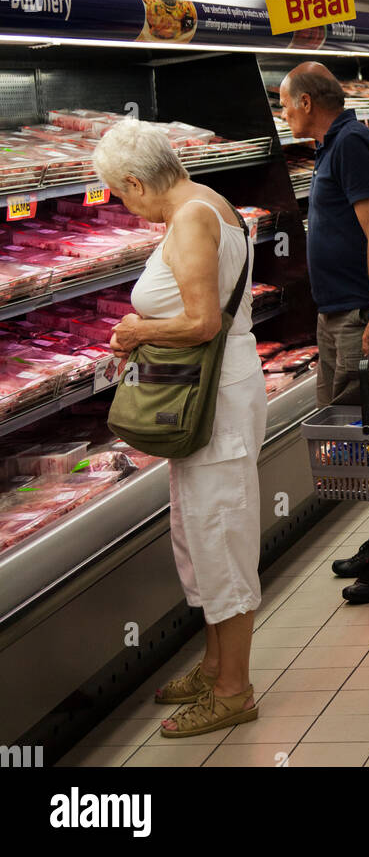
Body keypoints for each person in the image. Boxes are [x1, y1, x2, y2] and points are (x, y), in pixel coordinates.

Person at [92, 118, 266, 738]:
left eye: (119, 192)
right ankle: (217, 663)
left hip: (213, 395)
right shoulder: (203, 202)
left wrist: (137, 330)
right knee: (201, 531)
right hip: (209, 394)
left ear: (136, 182)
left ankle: (234, 689)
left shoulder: (191, 217)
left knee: (221, 532)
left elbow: (202, 323)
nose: (121, 203)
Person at [279, 62, 369, 604]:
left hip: (363, 313)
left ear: (308, 102)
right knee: (359, 432)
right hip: (340, 311)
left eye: (286, 103)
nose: (283, 113)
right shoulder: (334, 146)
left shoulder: (353, 143)